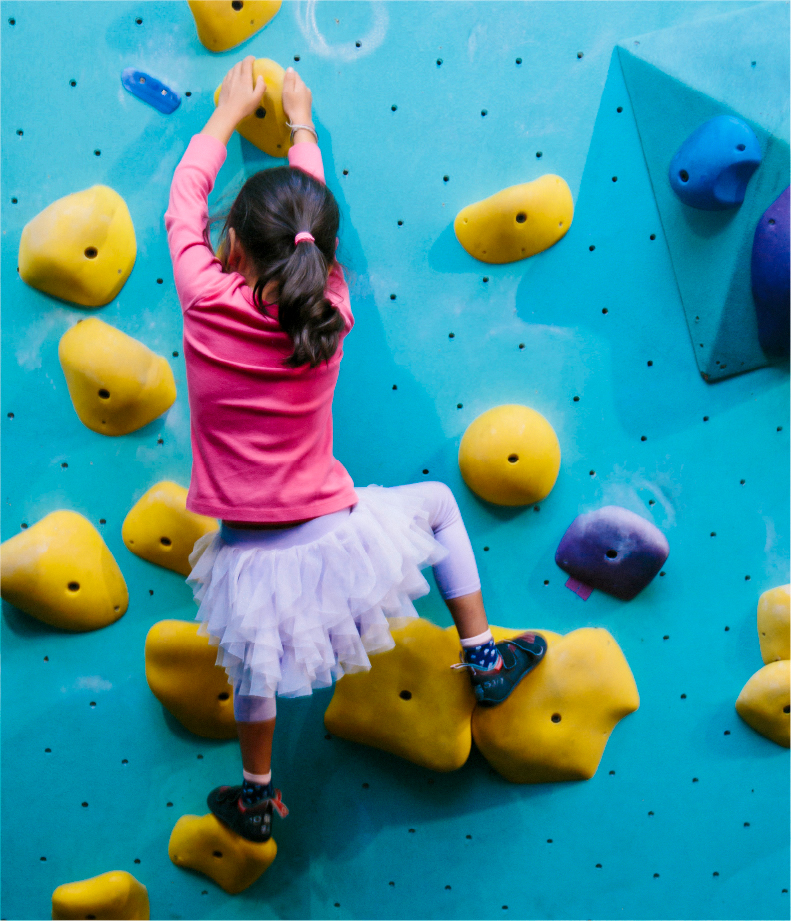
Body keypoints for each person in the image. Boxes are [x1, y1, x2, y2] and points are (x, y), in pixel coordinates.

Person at [165, 57, 546, 844]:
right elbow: (314, 221)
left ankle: (256, 795)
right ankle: (482, 658)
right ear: (321, 256)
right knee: (438, 506)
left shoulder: (204, 298)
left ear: (228, 243)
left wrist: (224, 117)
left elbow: (181, 205)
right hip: (334, 534)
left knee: (253, 665)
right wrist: (302, 124)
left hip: (248, 555)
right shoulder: (329, 310)